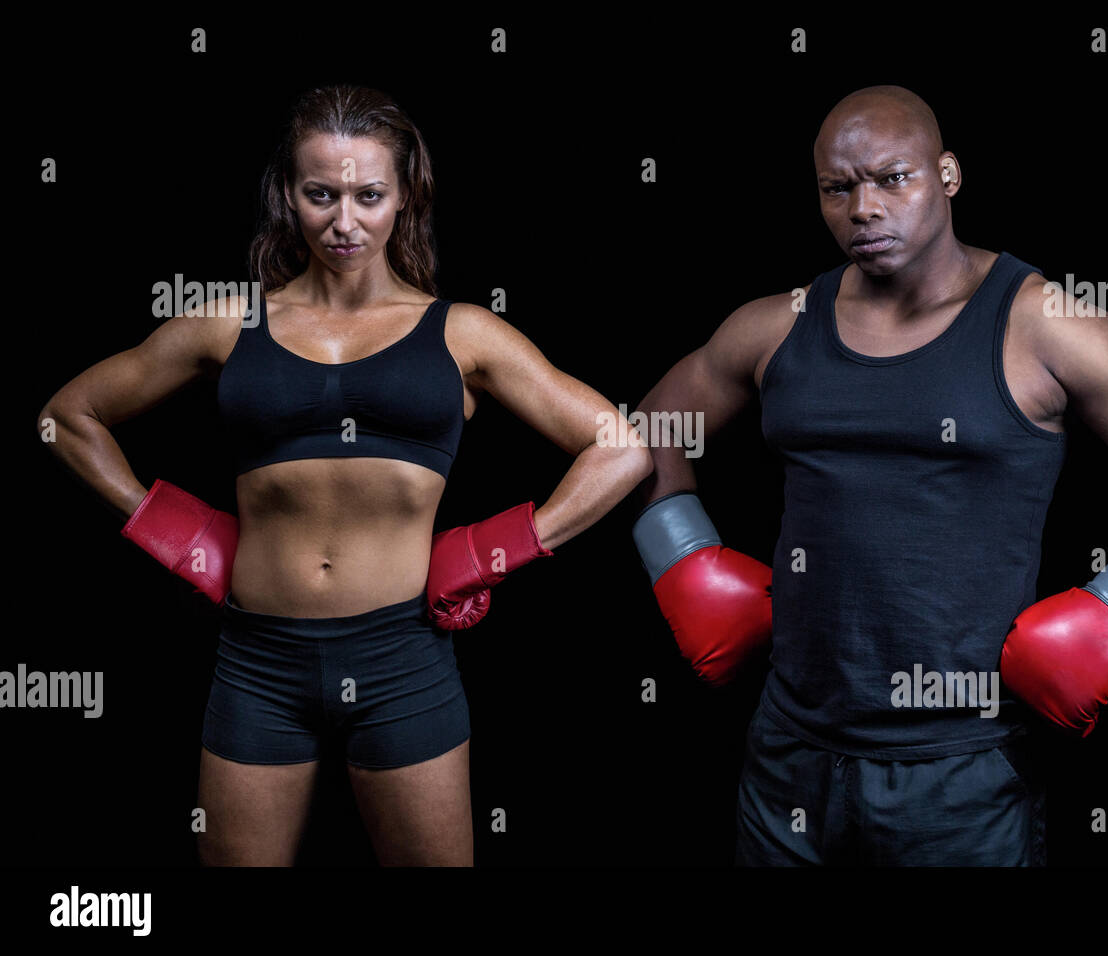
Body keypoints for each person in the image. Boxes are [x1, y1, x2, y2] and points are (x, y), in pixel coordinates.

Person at [631, 85, 1108, 865]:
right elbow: (647, 432)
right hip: (787, 757)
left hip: (963, 771)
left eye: (893, 178)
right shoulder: (776, 326)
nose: (864, 208)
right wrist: (685, 562)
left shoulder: (1040, 324)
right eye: (837, 188)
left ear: (948, 175)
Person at [37, 84, 651, 866]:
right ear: (287, 195)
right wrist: (174, 532)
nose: (345, 221)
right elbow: (67, 417)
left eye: (369, 196)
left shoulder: (462, 333)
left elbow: (622, 448)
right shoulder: (229, 322)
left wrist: (494, 550)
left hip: (402, 659)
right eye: (321, 194)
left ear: (405, 197)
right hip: (257, 662)